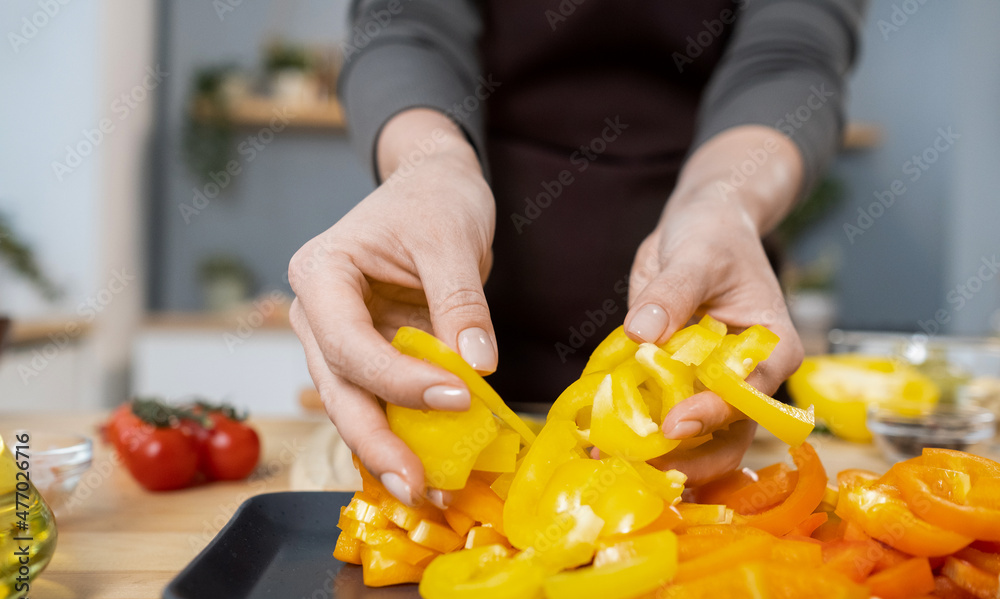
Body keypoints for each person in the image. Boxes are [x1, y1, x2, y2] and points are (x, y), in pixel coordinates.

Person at [288, 0, 866, 508]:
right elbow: (406, 23)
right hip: (458, 333)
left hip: (708, 332)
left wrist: (727, 200)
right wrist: (431, 168)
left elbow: (793, 52)